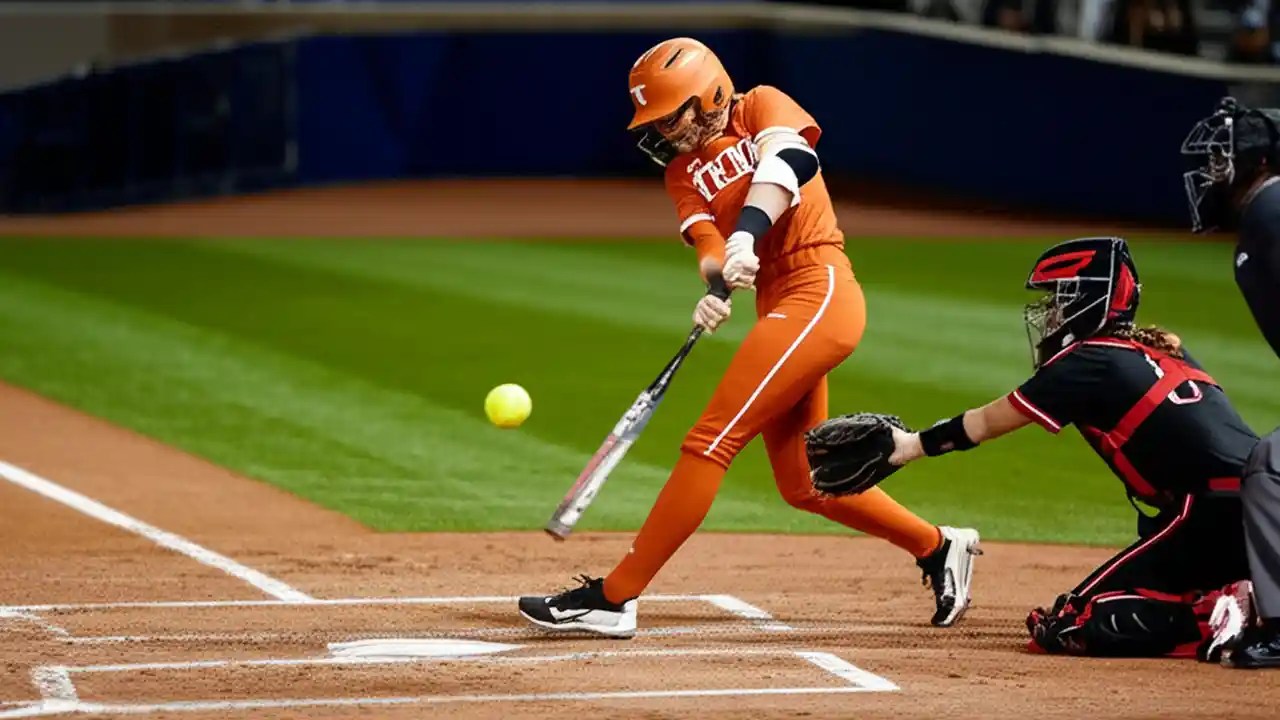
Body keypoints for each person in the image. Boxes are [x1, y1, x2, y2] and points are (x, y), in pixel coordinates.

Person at [516, 37, 982, 638]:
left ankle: (615, 597)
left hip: (820, 291)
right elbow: (708, 243)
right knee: (805, 484)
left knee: (709, 442)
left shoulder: (759, 106)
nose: (660, 132)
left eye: (667, 115)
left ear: (707, 95)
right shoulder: (682, 172)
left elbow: (791, 162)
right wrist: (716, 283)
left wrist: (748, 235)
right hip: (778, 304)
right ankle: (939, 546)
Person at [808, 236, 1260, 659]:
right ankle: (1235, 587)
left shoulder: (1087, 362)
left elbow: (986, 422)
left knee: (1067, 626)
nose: (1051, 313)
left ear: (1090, 300)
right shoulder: (1164, 352)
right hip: (1259, 502)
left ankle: (1220, 614)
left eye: (1060, 299)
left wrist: (906, 447)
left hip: (1214, 510)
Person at [1180, 96, 1280, 668]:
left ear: (1258, 161)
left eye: (1223, 159)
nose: (1213, 172)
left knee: (1271, 468)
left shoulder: (1270, 214)